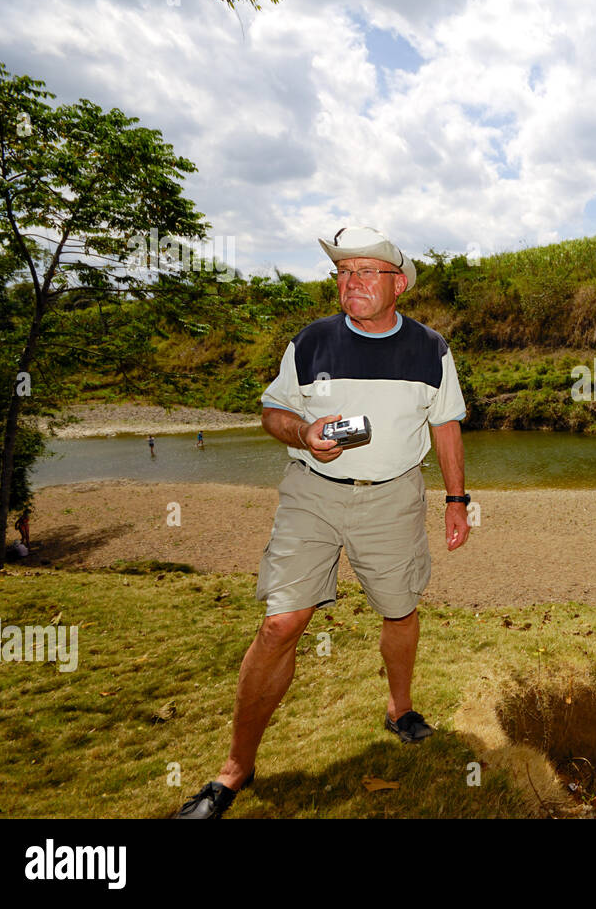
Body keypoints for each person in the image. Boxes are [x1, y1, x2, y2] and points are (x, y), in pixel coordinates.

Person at [175, 225, 471, 819]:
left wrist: (456, 500)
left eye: (364, 273)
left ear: (398, 285)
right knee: (281, 622)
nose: (349, 283)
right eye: (342, 273)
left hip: (392, 498)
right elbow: (273, 410)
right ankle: (234, 769)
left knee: (400, 608)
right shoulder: (309, 342)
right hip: (311, 493)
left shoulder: (431, 348)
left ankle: (399, 707)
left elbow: (445, 425)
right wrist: (303, 433)